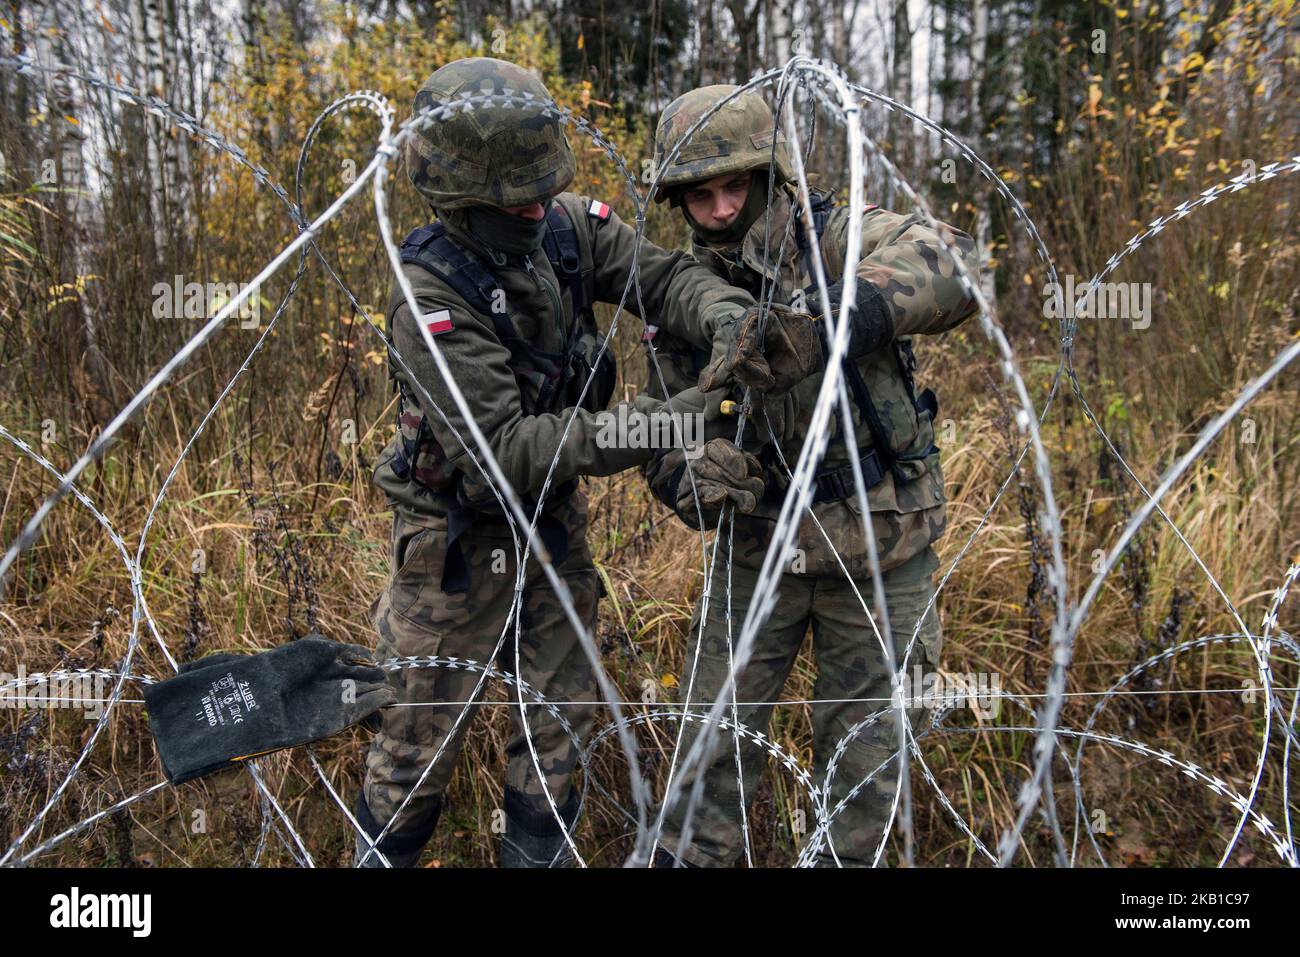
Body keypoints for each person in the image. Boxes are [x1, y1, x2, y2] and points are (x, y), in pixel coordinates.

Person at [353, 58, 778, 868]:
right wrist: (665, 423)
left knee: (559, 734)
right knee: (413, 750)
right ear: (464, 199)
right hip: (455, 546)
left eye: (541, 190)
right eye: (517, 199)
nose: (536, 207)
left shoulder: (564, 227)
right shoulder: (431, 296)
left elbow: (659, 276)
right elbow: (503, 455)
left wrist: (727, 316)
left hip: (552, 533)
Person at [642, 84, 981, 867]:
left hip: (879, 546)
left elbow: (958, 260)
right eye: (702, 194)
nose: (723, 208)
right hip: (756, 550)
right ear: (679, 201)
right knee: (708, 753)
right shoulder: (682, 294)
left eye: (737, 186)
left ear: (771, 176)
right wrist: (689, 475)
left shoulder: (838, 236)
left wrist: (841, 316)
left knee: (863, 764)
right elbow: (658, 426)